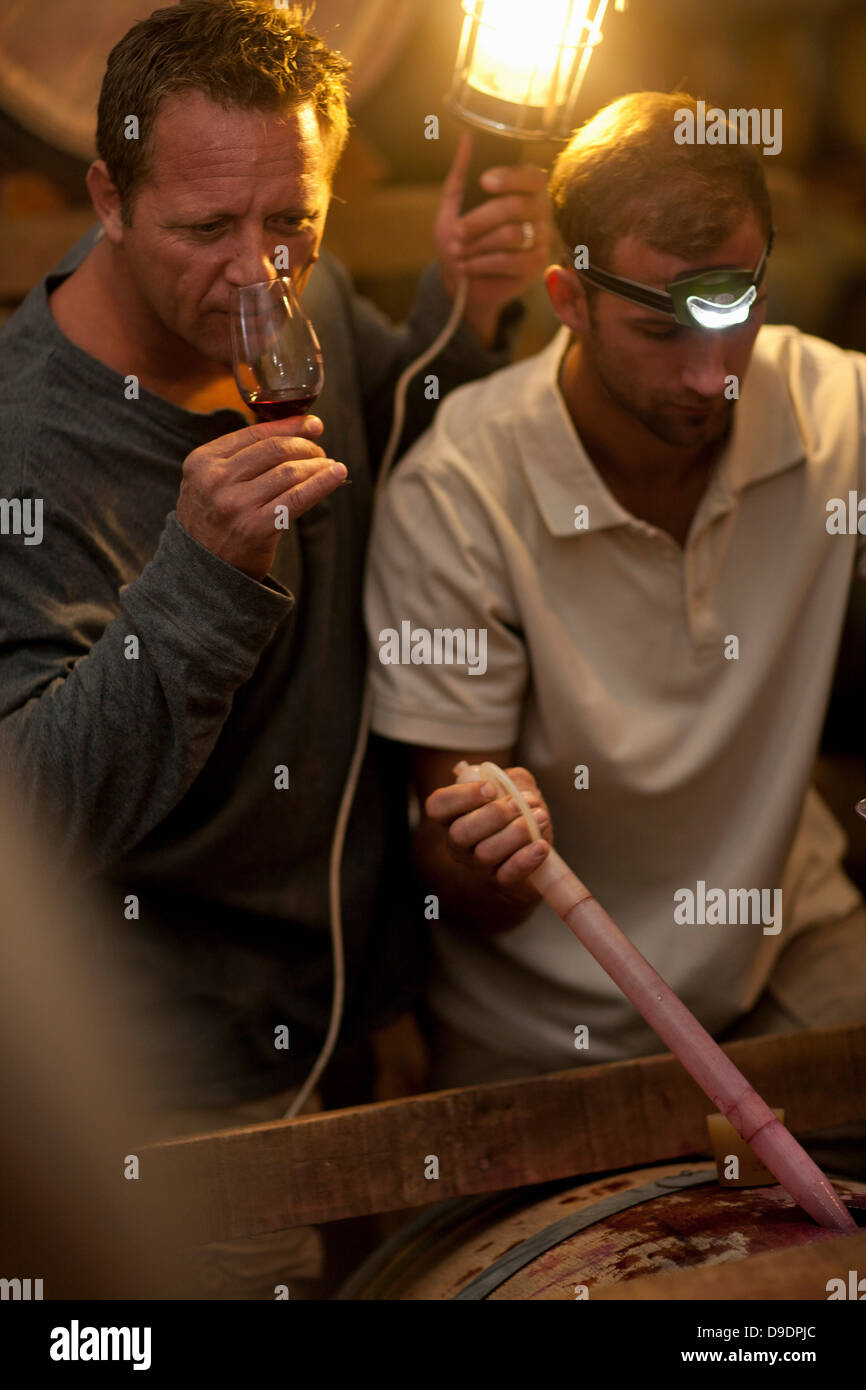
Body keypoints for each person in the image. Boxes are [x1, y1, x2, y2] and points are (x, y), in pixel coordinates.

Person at [0, 0, 552, 1293]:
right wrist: (196, 574)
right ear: (109, 197)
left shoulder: (303, 304)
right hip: (177, 1104)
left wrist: (466, 310)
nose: (257, 272)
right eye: (205, 229)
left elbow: (398, 453)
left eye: (290, 220)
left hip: (358, 1028)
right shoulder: (26, 447)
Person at [365, 93, 866, 1122]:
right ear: (568, 298)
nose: (709, 377)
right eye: (656, 329)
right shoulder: (457, 489)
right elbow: (464, 884)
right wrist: (489, 849)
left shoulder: (834, 410)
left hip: (790, 952)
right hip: (546, 1022)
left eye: (733, 316)